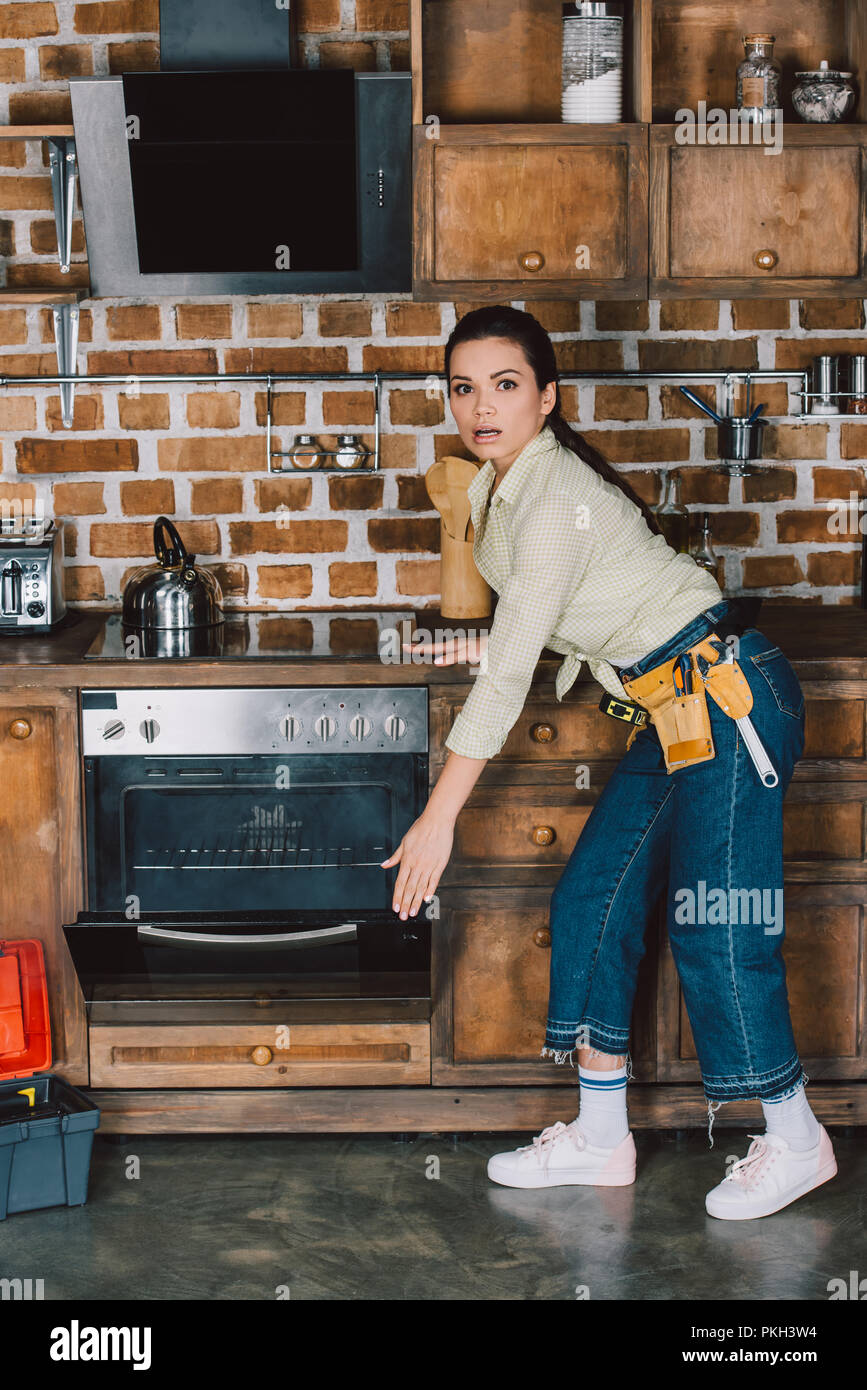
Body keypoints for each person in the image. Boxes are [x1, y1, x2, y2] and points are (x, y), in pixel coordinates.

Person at [381, 305, 837, 1221]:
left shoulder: (551, 497)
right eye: (462, 387)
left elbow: (512, 666)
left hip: (725, 696)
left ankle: (796, 1138)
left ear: (545, 397)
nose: (481, 406)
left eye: (504, 385)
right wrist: (464, 652)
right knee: (591, 898)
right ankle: (599, 1135)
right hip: (670, 712)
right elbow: (540, 628)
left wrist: (439, 818)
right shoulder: (492, 489)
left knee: (718, 923)